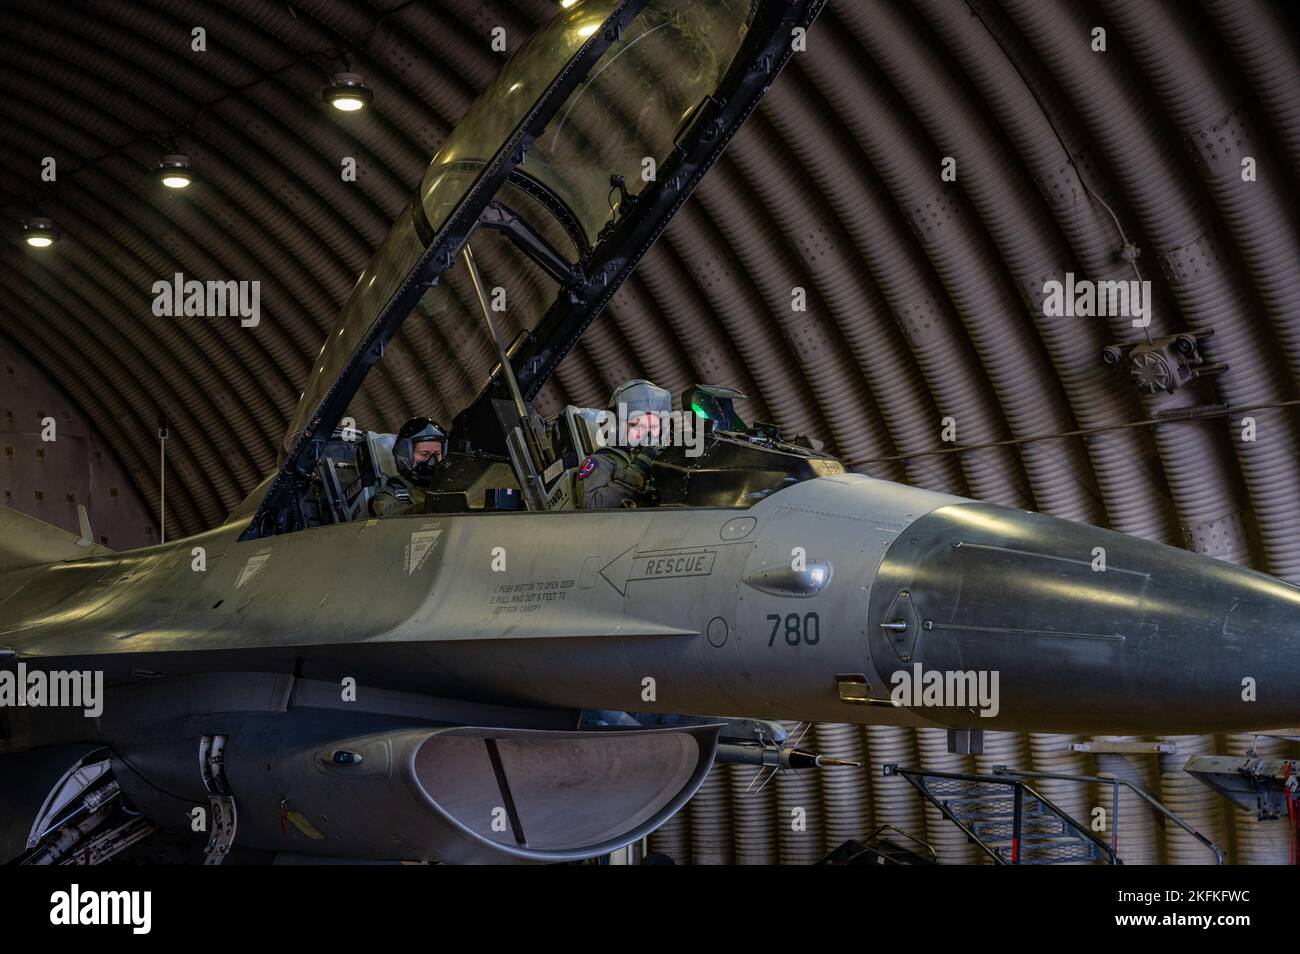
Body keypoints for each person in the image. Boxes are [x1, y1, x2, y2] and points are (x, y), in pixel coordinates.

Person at [578, 379, 671, 509]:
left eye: (653, 427)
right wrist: (638, 470)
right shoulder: (604, 461)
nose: (646, 434)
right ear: (617, 426)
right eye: (637, 426)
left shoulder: (669, 460)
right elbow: (593, 506)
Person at [370, 417, 446, 517]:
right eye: (424, 454)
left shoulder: (451, 485)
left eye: (437, 454)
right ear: (405, 456)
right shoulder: (390, 494)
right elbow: (388, 513)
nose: (432, 461)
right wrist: (436, 506)